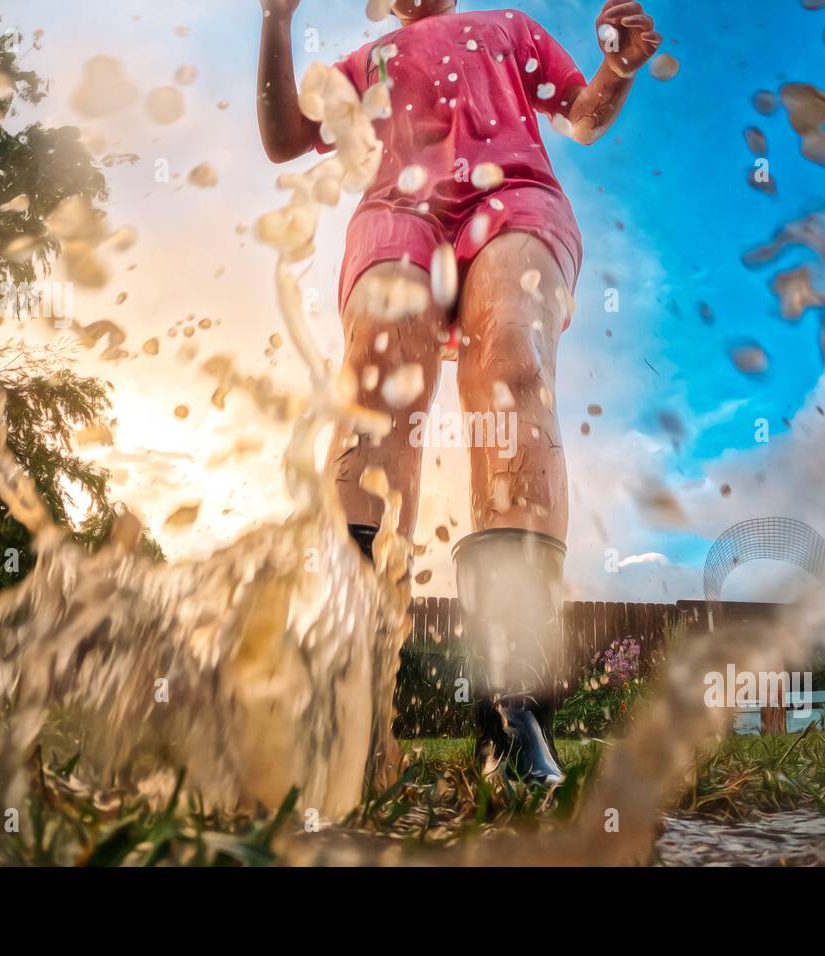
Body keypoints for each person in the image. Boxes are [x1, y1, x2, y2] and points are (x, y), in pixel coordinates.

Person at [257, 0, 660, 784]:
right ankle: (350, 710)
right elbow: (283, 141)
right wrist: (276, 18)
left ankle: (515, 712)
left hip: (512, 200)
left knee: (511, 364)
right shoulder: (362, 64)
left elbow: (581, 114)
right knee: (378, 391)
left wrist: (616, 67)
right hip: (394, 210)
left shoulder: (507, 26)